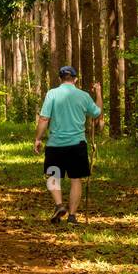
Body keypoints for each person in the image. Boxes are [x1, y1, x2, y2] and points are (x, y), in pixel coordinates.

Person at [34, 66, 102, 224]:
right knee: (75, 179)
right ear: (75, 79)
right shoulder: (83, 96)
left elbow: (44, 119)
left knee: (53, 175)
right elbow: (97, 112)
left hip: (55, 144)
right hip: (77, 144)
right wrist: (98, 93)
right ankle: (72, 216)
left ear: (60, 79)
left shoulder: (52, 94)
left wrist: (38, 138)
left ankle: (59, 205)